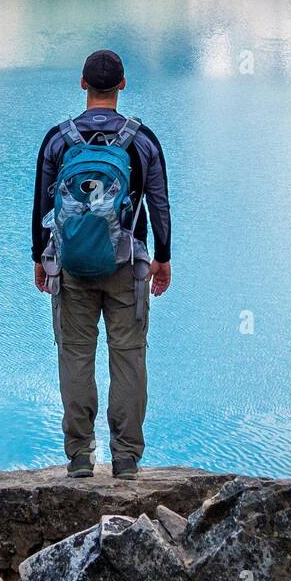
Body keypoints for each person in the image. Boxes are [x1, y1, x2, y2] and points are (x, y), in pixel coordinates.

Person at [33, 49, 171, 479]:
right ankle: (126, 458)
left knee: (76, 356)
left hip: (71, 264)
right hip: (127, 266)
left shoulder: (59, 139)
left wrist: (40, 257)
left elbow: (41, 202)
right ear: (122, 85)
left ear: (82, 84)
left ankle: (79, 458)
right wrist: (163, 257)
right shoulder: (141, 139)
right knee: (128, 357)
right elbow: (159, 203)